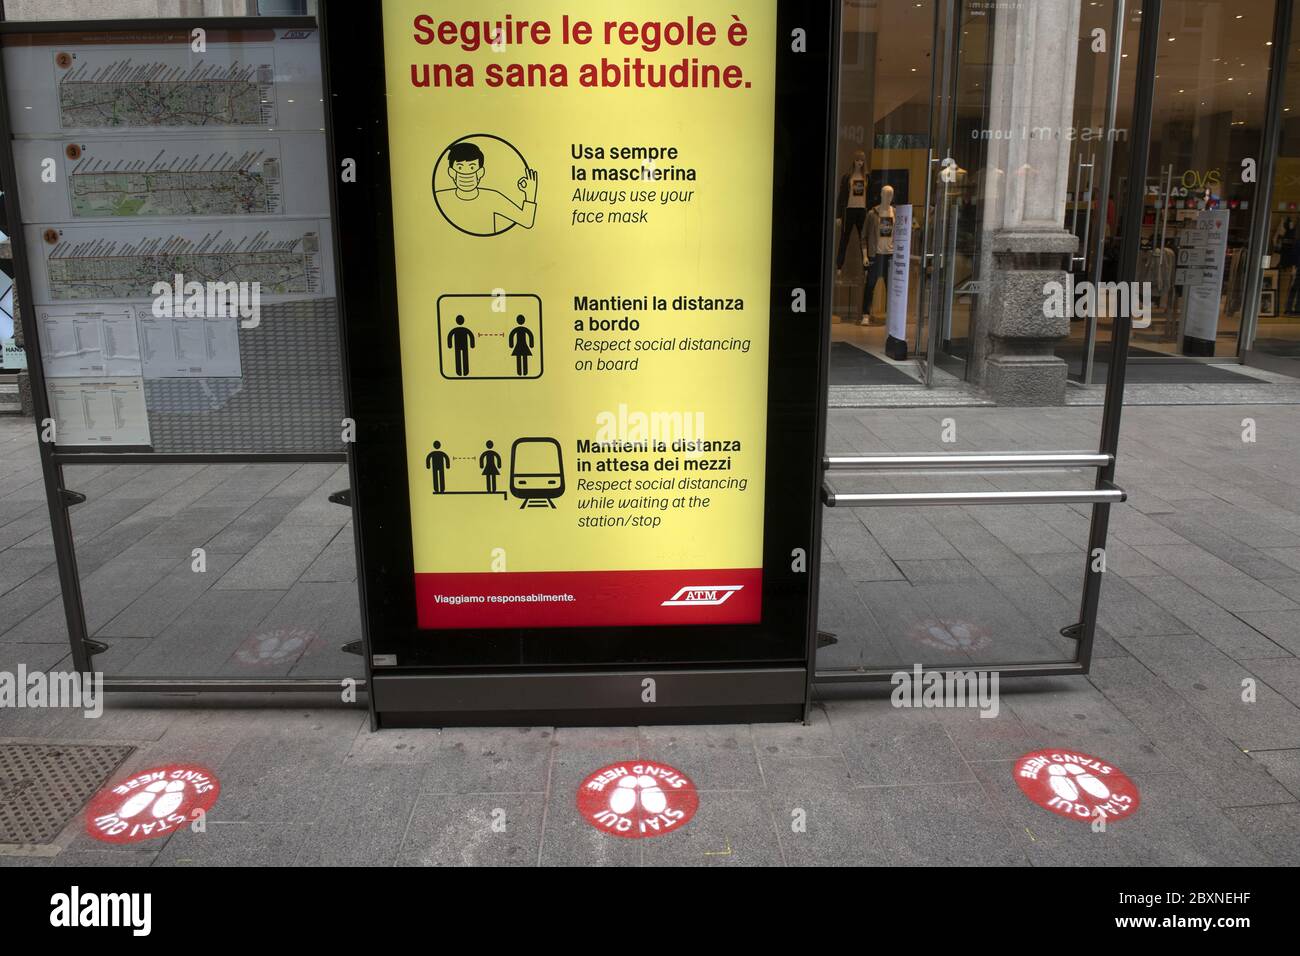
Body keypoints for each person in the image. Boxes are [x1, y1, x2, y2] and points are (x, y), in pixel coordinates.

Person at [435, 140, 538, 236]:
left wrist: (530, 193)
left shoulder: (493, 197)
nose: (466, 173)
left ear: (480, 172)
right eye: (460, 167)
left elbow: (526, 220)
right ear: (451, 172)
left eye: (472, 167)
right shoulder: (440, 197)